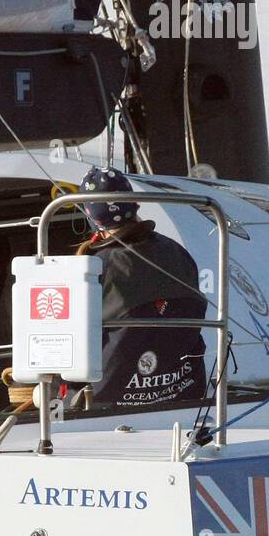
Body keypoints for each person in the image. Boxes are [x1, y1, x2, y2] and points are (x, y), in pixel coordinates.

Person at [76, 167, 208, 411]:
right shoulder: (177, 252)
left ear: (92, 215)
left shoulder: (95, 267)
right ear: (133, 203)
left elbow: (71, 342)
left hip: (108, 400)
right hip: (186, 393)